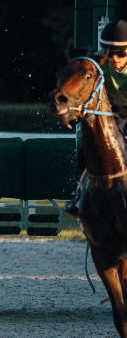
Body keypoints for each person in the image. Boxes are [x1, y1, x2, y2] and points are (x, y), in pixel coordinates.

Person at [64, 19, 127, 216]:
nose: (114, 59)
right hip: (108, 115)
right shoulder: (98, 62)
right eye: (109, 53)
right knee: (86, 150)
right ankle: (78, 195)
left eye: (121, 54)